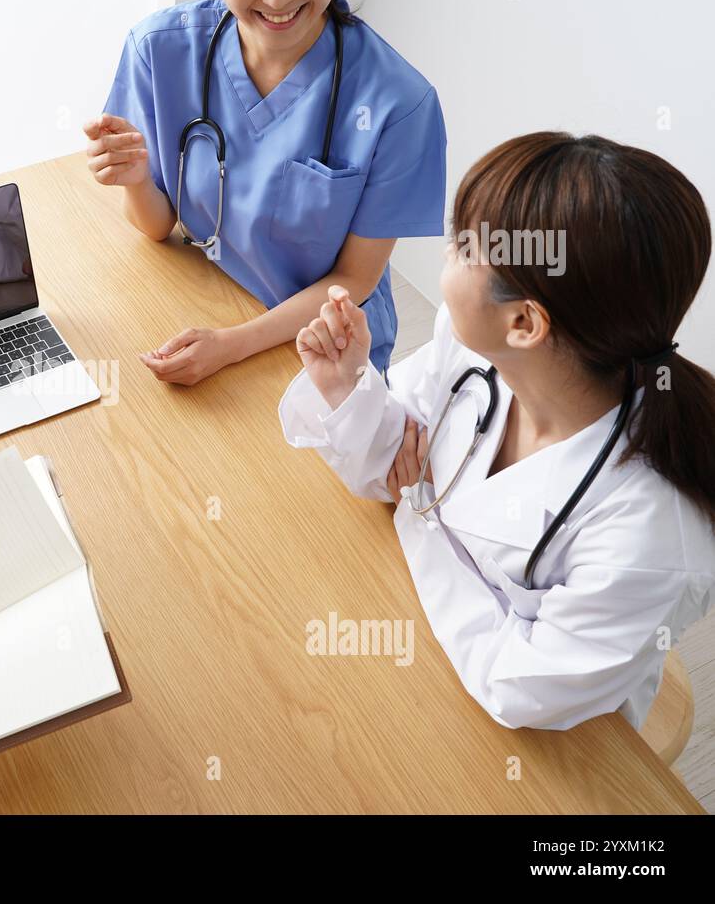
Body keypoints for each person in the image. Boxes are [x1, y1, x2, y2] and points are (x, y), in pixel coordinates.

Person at [279, 132, 715, 730]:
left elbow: (517, 687)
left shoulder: (651, 535)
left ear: (524, 322)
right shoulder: (471, 351)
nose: (443, 251)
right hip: (415, 642)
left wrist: (419, 511)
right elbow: (387, 468)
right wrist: (349, 388)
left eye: (462, 245)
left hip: (547, 751)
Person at [87, 0, 445, 385]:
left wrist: (231, 346)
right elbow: (159, 226)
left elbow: (354, 278)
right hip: (210, 301)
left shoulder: (400, 104)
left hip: (326, 345)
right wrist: (136, 180)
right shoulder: (159, 50)